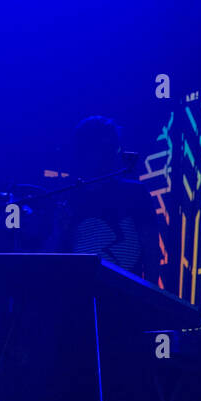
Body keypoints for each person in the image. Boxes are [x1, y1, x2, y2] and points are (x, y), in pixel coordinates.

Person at [50, 115, 161, 284]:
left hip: (126, 296)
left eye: (112, 148)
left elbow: (150, 247)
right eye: (99, 147)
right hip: (81, 294)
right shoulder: (69, 196)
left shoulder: (134, 192)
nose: (109, 154)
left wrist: (153, 299)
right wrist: (60, 231)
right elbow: (59, 255)